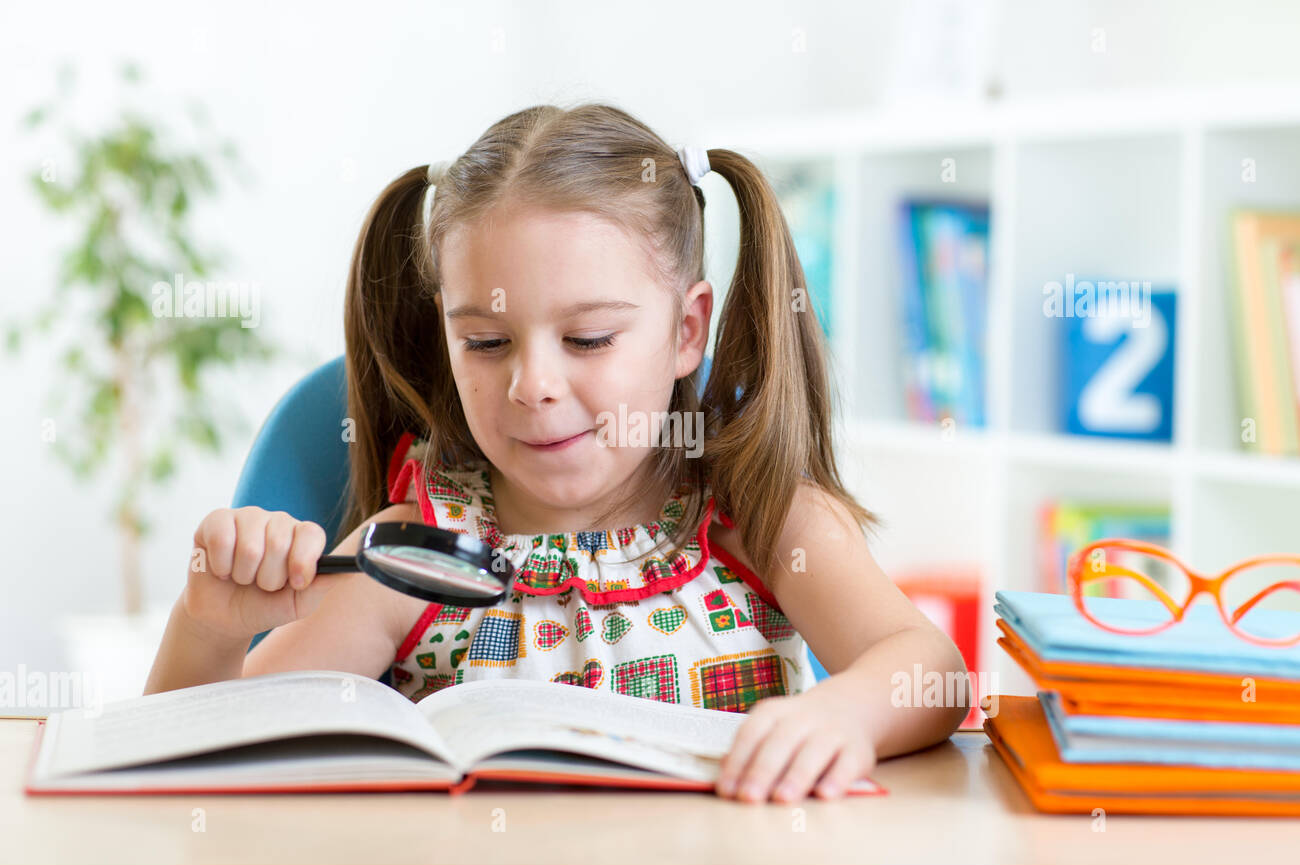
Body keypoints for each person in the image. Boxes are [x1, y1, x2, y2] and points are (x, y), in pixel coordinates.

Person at [145, 103, 970, 803]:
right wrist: (206, 630)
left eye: (587, 338)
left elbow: (930, 670)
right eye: (487, 340)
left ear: (687, 330)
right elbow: (193, 762)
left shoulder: (759, 515)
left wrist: (844, 715)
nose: (533, 384)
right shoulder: (415, 556)